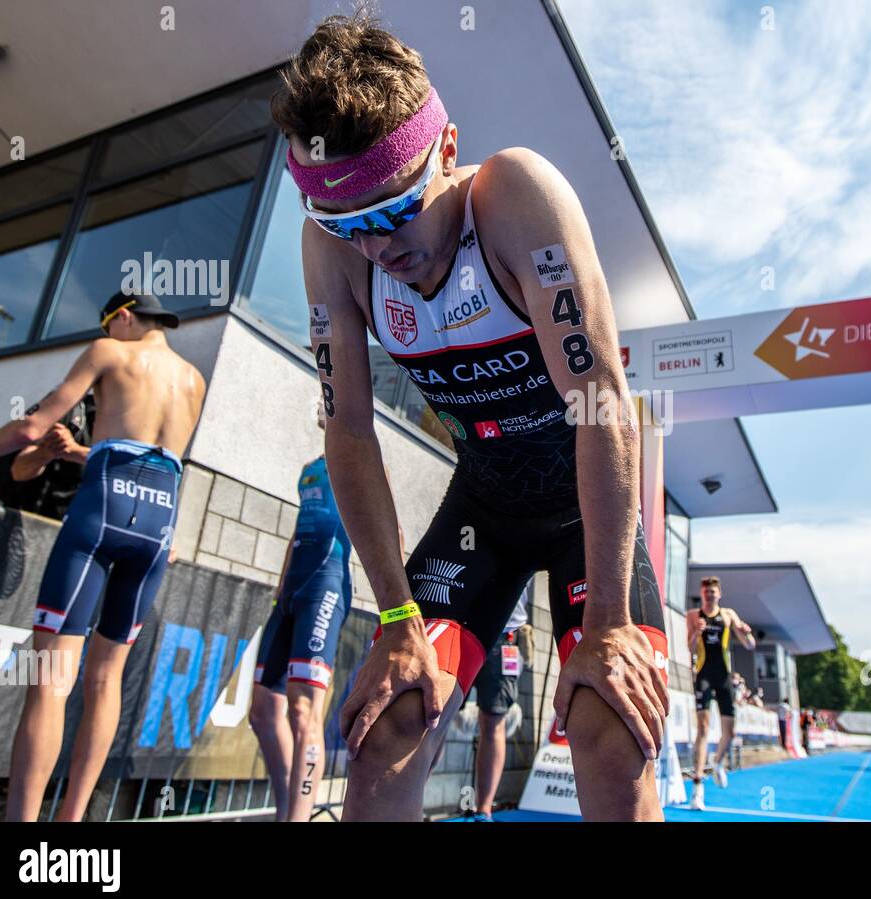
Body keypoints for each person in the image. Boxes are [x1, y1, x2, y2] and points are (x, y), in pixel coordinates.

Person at [273, 12, 669, 822]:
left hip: (582, 509)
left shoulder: (517, 197)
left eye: (393, 211)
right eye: (347, 226)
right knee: (388, 731)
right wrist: (394, 618)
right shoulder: (333, 253)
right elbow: (348, 431)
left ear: (446, 151)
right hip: (481, 513)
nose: (377, 247)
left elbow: (600, 405)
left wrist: (610, 624)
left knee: (608, 732)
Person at [0, 291, 205, 821]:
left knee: (52, 679)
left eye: (108, 323)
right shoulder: (193, 378)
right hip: (158, 522)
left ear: (122, 317)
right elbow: (141, 450)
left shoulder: (109, 351)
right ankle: (73, 823)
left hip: (101, 511)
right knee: (106, 680)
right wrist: (78, 452)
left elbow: (29, 428)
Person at [248, 403, 357, 822]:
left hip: (326, 587)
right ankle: (287, 809)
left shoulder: (362, 458)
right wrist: (281, 586)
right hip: (292, 589)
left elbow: (391, 529)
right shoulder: (310, 467)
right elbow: (298, 528)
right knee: (262, 709)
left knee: (303, 711)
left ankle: (299, 814)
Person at [686, 576, 755, 811]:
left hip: (724, 676)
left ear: (719, 594)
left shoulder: (728, 615)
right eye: (706, 593)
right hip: (703, 675)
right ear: (701, 594)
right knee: (703, 729)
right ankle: (697, 788)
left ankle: (718, 763)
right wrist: (697, 632)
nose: (709, 596)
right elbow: (691, 648)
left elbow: (750, 645)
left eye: (713, 593)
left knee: (730, 730)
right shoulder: (694, 616)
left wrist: (746, 632)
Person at [462, 586, 530, 822]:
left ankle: (483, 811)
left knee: (494, 720)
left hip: (504, 633)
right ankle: (411, 800)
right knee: (434, 717)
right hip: (458, 624)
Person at [0, 392, 96, 520]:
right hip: (39, 525)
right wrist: (48, 451)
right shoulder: (71, 411)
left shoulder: (123, 429)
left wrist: (75, 451)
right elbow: (18, 471)